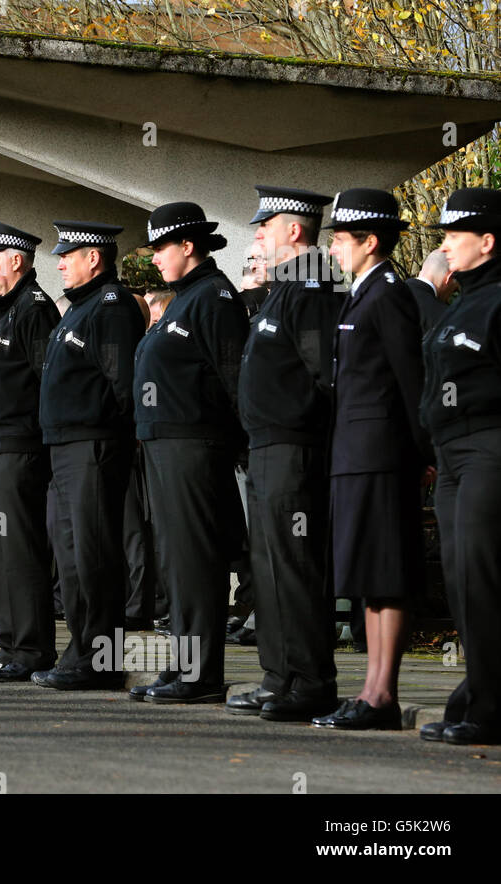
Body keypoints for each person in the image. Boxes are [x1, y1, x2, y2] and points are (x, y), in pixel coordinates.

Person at [313, 188, 430, 731]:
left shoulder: (389, 294)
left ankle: (382, 693)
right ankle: (370, 690)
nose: (333, 249)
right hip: (355, 454)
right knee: (367, 572)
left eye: (340, 239)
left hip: (383, 455)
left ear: (370, 241)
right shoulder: (361, 293)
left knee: (386, 571)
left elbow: (413, 383)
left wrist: (421, 454)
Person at [227, 185, 341, 721]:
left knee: (293, 566)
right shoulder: (284, 289)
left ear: (294, 230)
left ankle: (310, 681)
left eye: (264, 226)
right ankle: (279, 676)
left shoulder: (313, 286)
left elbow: (325, 374)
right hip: (268, 448)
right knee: (270, 566)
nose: (257, 235)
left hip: (295, 448)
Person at [130, 202, 248, 704]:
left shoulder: (214, 298)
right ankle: (183, 663)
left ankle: (200, 674)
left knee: (196, 560)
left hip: (195, 445)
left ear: (187, 246)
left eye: (161, 248)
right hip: (166, 445)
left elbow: (236, 378)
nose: (155, 257)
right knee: (176, 560)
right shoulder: (183, 299)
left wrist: (241, 444)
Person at [33, 220, 147, 690]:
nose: (59, 261)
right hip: (65, 448)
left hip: (94, 445)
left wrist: (117, 439)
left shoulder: (111, 304)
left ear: (94, 258)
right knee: (72, 554)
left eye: (68, 254)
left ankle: (100, 658)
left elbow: (123, 386)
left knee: (95, 553)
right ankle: (82, 648)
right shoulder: (80, 309)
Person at [419, 187, 501, 745]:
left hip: (487, 449)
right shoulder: (463, 300)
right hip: (450, 456)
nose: (444, 246)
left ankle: (490, 706)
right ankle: (476, 692)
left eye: (453, 236)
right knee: (460, 579)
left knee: (481, 577)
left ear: (488, 242)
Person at [0, 218, 61, 682]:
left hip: (21, 448)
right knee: (3, 551)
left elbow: (50, 381)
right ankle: (9, 645)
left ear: (16, 260)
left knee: (21, 550)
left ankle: (30, 648)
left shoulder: (34, 308)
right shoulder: (5, 309)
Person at [406, 248, 456, 337]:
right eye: (454, 289)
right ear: (449, 278)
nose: (451, 294)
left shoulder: (390, 292)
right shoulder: (443, 317)